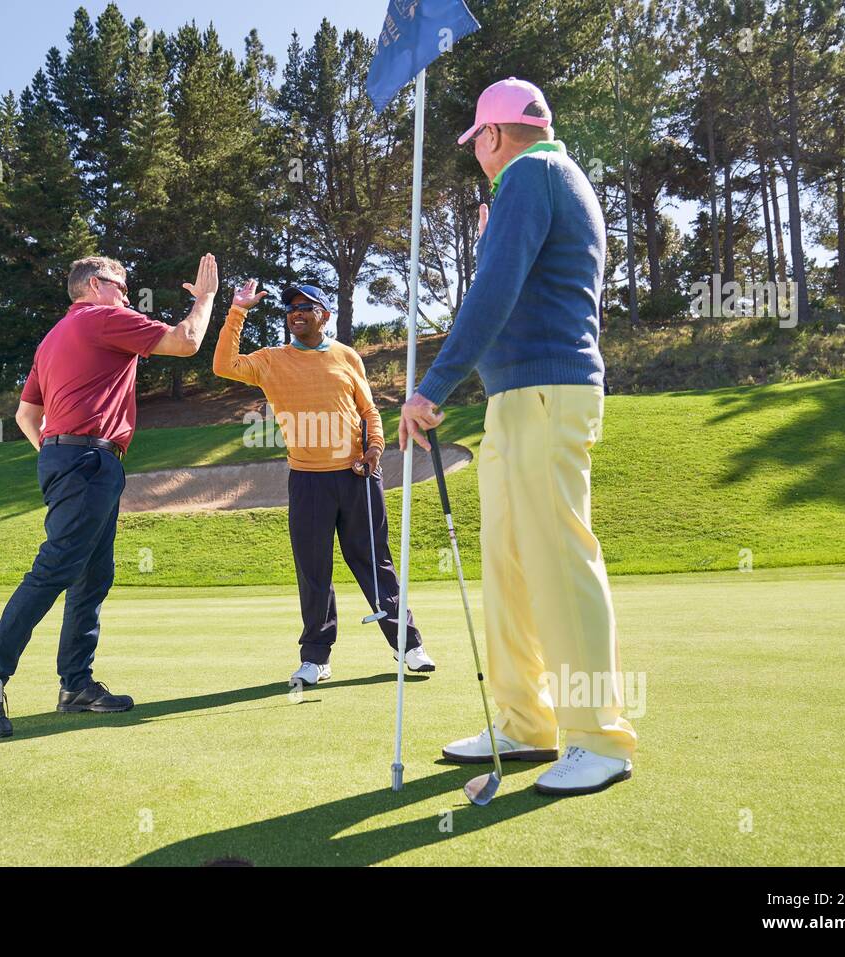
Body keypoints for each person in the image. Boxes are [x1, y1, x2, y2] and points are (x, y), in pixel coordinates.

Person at [398, 77, 637, 796]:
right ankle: (525, 722)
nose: (477, 155)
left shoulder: (532, 174)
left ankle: (598, 738)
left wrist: (432, 386)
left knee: (559, 563)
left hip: (546, 392)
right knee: (509, 564)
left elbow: (492, 292)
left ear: (495, 135)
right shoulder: (539, 183)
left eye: (476, 142)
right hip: (515, 399)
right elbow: (512, 282)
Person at [0, 253, 219, 737]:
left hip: (76, 460)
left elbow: (25, 417)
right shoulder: (104, 317)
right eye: (121, 284)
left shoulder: (53, 337)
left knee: (92, 577)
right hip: (87, 461)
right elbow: (187, 342)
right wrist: (204, 298)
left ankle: (75, 684)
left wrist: (57, 452)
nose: (127, 293)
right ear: (96, 285)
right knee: (54, 571)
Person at [214, 280, 435, 686]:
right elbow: (224, 365)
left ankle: (409, 645)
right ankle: (315, 658)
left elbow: (368, 410)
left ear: (325, 315)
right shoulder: (270, 360)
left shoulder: (347, 356)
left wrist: (374, 448)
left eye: (305, 306)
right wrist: (238, 311)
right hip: (308, 481)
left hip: (358, 477)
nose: (295, 313)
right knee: (313, 570)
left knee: (376, 563)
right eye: (290, 308)